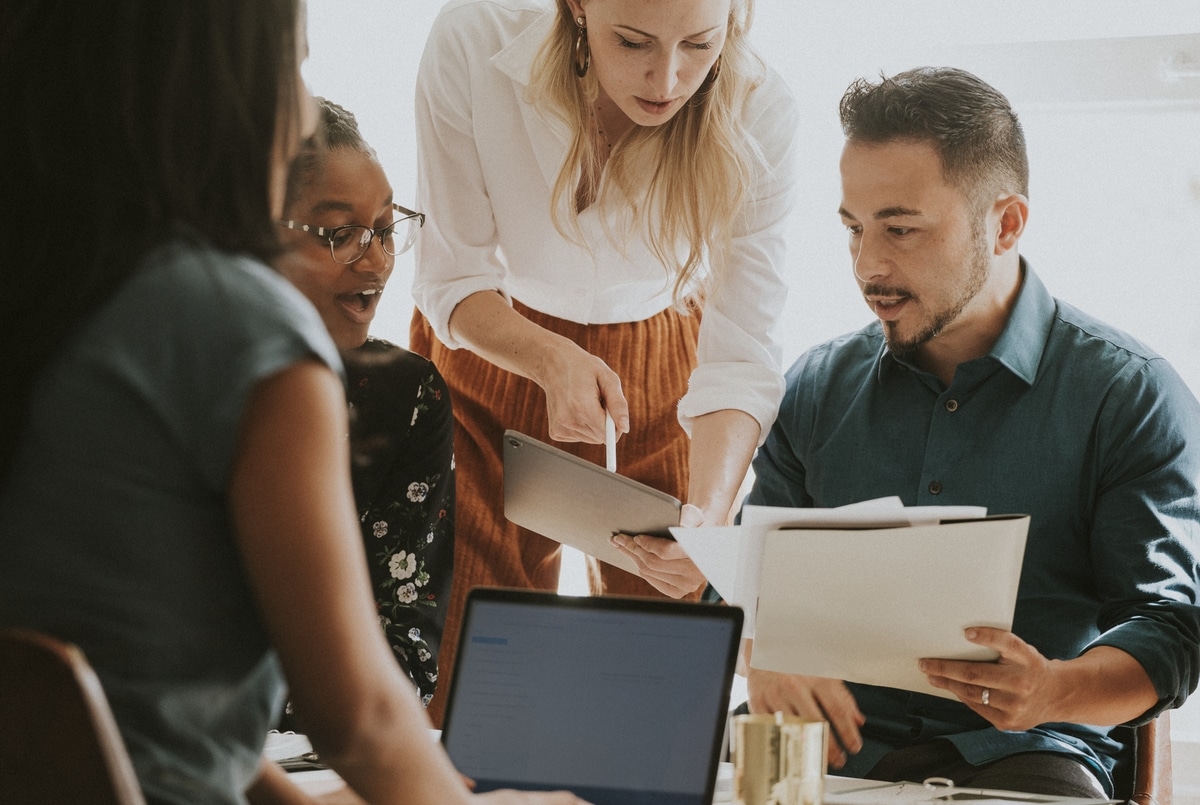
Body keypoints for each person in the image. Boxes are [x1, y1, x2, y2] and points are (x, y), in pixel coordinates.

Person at [0, 3, 584, 804]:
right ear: (217, 90)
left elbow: (163, 722)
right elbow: (362, 722)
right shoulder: (241, 328)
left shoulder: (56, 296)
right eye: (296, 66)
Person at [742, 66, 1200, 798]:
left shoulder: (1128, 394)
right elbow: (746, 577)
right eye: (854, 228)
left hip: (1027, 754)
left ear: (1006, 223)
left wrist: (1052, 689)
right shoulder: (817, 385)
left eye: (900, 229)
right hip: (818, 748)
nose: (868, 265)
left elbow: (1170, 628)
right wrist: (760, 646)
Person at [411, 0, 799, 724]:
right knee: (468, 683)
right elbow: (451, 279)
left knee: (658, 693)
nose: (667, 79)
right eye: (633, 42)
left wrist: (710, 520)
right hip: (489, 350)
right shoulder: (473, 36)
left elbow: (741, 355)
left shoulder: (762, 109)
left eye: (699, 44)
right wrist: (547, 358)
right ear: (577, 7)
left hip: (667, 379)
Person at [276, 97, 453, 709]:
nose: (376, 261)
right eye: (341, 235)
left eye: (384, 229)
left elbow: (407, 648)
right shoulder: (170, 381)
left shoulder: (408, 397)